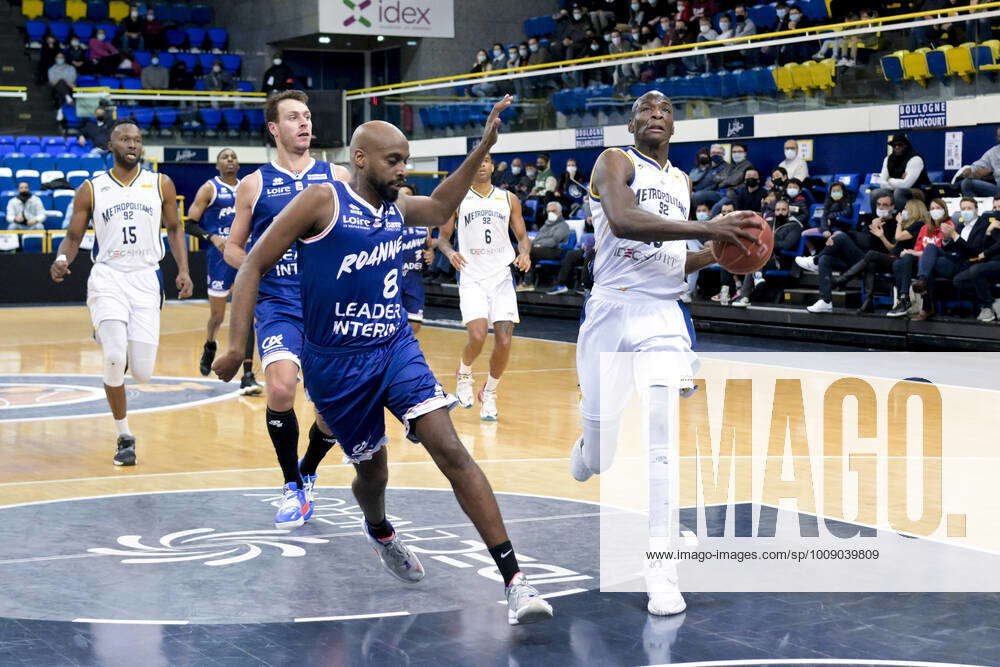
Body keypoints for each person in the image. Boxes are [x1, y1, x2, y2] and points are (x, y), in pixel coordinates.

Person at [214, 96, 554, 626]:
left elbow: (442, 207)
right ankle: (379, 530)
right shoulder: (322, 201)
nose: (403, 169)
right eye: (393, 160)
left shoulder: (399, 209)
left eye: (406, 159)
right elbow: (252, 261)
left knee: (450, 447)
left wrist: (483, 146)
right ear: (362, 158)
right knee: (373, 474)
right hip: (336, 363)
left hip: (395, 348)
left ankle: (515, 580)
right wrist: (236, 346)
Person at [569, 90, 760, 616]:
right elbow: (626, 221)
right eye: (645, 111)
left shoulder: (681, 181)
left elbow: (673, 260)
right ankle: (589, 449)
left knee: (661, 439)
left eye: (665, 111)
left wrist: (722, 252)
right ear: (631, 125)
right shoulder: (614, 162)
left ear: (674, 125)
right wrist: (710, 229)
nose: (656, 116)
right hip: (610, 309)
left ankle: (661, 569)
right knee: (602, 454)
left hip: (661, 314)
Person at [224, 90, 351, 528]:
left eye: (308, 116)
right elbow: (233, 249)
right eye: (293, 117)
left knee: (332, 413)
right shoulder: (254, 184)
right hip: (278, 302)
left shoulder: (338, 176)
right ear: (275, 129)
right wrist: (257, 266)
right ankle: (291, 485)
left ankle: (309, 469)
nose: (304, 123)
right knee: (280, 390)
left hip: (330, 305)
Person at [49, 118, 193, 465]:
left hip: (146, 278)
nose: (133, 144)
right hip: (109, 276)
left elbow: (174, 229)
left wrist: (184, 270)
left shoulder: (160, 184)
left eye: (137, 139)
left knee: (142, 372)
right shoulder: (92, 188)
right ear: (111, 146)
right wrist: (61, 258)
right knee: (114, 357)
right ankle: (124, 436)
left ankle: (110, 332)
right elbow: (73, 235)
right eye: (125, 139)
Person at [436, 153, 531, 421]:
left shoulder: (508, 198)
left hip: (501, 276)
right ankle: (464, 372)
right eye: (478, 161)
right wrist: (450, 252)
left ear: (491, 166)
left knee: (503, 341)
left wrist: (524, 254)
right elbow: (442, 238)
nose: (482, 165)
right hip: (472, 276)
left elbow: (523, 237)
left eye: (487, 160)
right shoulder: (457, 199)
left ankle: (489, 392)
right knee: (477, 336)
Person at [180, 149, 261, 394]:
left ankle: (247, 374)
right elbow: (189, 223)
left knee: (246, 314)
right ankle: (210, 344)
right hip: (218, 259)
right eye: (224, 157)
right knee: (217, 316)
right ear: (217, 165)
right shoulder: (209, 189)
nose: (230, 160)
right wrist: (212, 237)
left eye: (234, 157)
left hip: (243, 256)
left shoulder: (248, 186)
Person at [909, 198, 985, 321]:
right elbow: (950, 248)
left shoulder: (981, 226)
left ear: (976, 210)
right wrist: (945, 239)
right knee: (930, 248)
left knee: (929, 263)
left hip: (966, 265)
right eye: (963, 209)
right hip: (952, 260)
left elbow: (973, 251)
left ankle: (927, 306)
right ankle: (922, 281)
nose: (966, 211)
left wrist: (954, 235)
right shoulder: (960, 226)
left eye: (969, 208)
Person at [886, 198, 937, 317]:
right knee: (897, 263)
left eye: (906, 208)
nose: (903, 211)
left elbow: (899, 237)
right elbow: (895, 247)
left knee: (904, 258)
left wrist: (898, 223)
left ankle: (904, 299)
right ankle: (903, 299)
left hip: (921, 259)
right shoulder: (915, 226)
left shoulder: (919, 224)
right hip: (908, 257)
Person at [953, 194, 1000, 322]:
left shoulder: (986, 222)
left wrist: (986, 253)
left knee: (976, 270)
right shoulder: (992, 223)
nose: (997, 210)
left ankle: (986, 306)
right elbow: (985, 245)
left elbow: (987, 250)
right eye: (995, 207)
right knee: (959, 280)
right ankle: (992, 302)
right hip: (991, 262)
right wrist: (989, 232)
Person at [397, 183, 433, 333]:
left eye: (408, 195)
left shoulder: (424, 223)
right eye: (401, 194)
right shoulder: (384, 219)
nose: (404, 198)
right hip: (391, 280)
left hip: (414, 280)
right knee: (389, 327)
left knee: (414, 326)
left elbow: (429, 246)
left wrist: (431, 253)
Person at [518, 200, 570, 291]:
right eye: (549, 211)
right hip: (541, 250)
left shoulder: (563, 225)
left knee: (529, 252)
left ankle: (527, 283)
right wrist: (536, 244)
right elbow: (536, 238)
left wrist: (538, 244)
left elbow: (553, 241)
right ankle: (518, 280)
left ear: (560, 212)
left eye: (553, 211)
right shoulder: (545, 225)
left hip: (555, 251)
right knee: (516, 250)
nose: (550, 213)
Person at [872, 133, 930, 212]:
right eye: (894, 145)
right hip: (895, 190)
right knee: (875, 193)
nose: (897, 147)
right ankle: (877, 221)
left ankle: (903, 221)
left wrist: (890, 180)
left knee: (899, 192)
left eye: (900, 145)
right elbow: (882, 183)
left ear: (906, 145)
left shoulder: (915, 159)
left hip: (917, 190)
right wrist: (897, 182)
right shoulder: (888, 159)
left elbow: (906, 185)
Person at [958, 127, 1000, 198]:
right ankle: (971, 207)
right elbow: (980, 164)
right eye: (999, 136)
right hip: (998, 190)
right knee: (967, 183)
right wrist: (970, 170)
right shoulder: (993, 152)